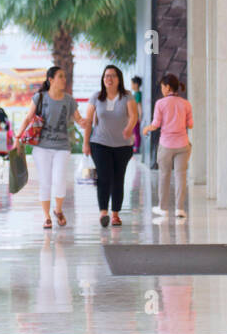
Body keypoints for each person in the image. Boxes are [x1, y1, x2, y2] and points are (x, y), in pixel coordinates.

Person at [16, 66, 84, 230]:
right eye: (60, 77)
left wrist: (88, 121)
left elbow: (79, 120)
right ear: (51, 80)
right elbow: (28, 118)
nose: (64, 80)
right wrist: (17, 138)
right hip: (41, 147)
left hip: (62, 146)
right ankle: (46, 217)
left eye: (64, 77)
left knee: (59, 180)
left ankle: (58, 210)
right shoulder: (39, 98)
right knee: (45, 182)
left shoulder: (69, 100)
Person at [83, 65, 139, 228]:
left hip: (123, 146)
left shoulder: (127, 96)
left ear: (119, 79)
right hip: (100, 143)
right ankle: (103, 213)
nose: (109, 79)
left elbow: (134, 115)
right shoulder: (96, 97)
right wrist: (86, 143)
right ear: (103, 79)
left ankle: (115, 214)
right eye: (106, 76)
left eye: (112, 76)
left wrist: (129, 128)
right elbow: (88, 121)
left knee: (118, 179)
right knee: (103, 177)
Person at [143, 72, 193, 219]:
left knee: (164, 176)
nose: (162, 90)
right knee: (181, 176)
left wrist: (146, 128)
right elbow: (190, 125)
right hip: (183, 145)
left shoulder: (160, 103)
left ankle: (163, 208)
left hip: (166, 145)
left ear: (168, 87)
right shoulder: (186, 104)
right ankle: (180, 209)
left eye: (162, 87)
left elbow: (156, 124)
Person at [131, 74, 143, 155]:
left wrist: (140, 116)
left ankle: (137, 147)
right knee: (133, 132)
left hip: (136, 117)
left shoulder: (137, 94)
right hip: (133, 117)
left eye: (132, 83)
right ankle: (134, 146)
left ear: (136, 84)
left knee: (136, 132)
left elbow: (139, 106)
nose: (131, 85)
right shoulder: (135, 94)